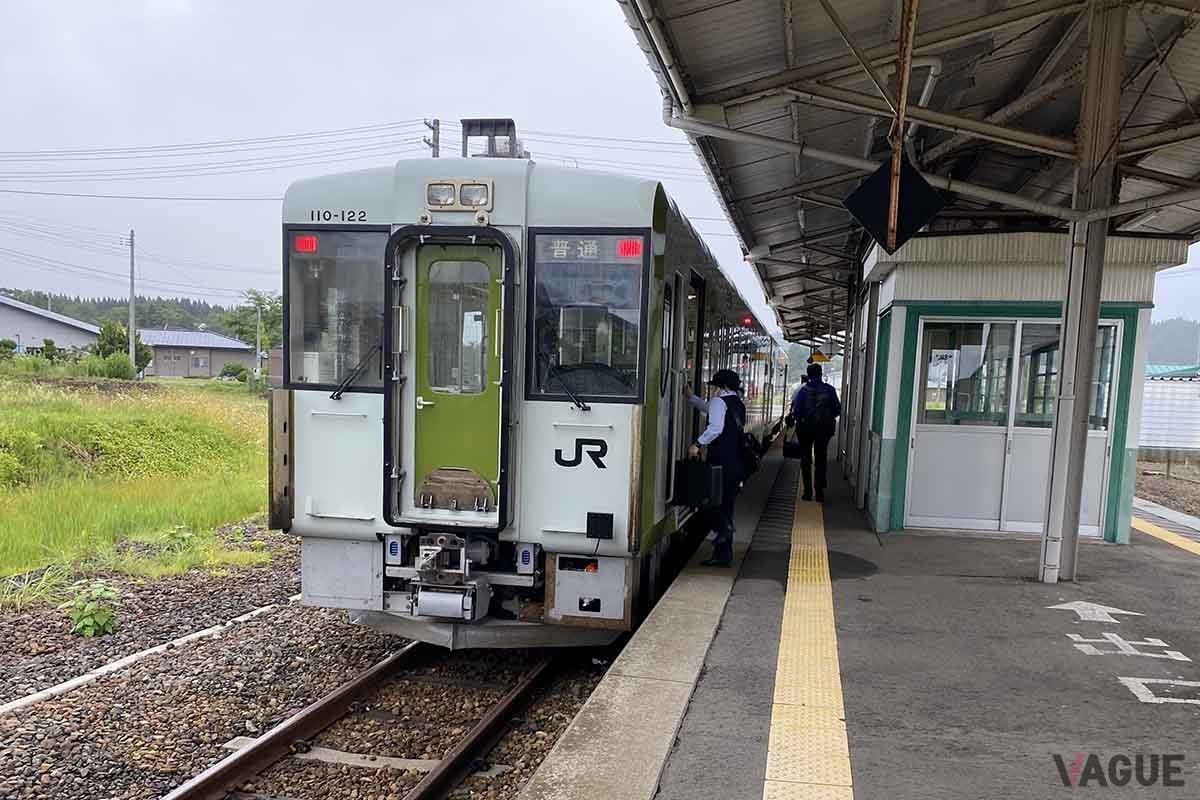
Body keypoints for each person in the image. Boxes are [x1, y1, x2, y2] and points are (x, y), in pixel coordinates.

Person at [684, 369, 747, 567]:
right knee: (726, 505)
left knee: (708, 502)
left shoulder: (721, 402)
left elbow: (715, 428)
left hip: (720, 461)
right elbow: (708, 408)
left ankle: (724, 530)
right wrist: (690, 397)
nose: (715, 390)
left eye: (717, 387)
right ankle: (723, 554)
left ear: (724, 387)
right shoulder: (737, 404)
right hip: (735, 461)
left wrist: (697, 444)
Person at [788, 362, 841, 502]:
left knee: (805, 459)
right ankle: (819, 493)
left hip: (805, 429)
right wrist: (826, 418)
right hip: (824, 429)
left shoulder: (803, 391)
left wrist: (801, 421)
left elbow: (797, 412)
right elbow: (837, 409)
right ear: (821, 374)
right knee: (821, 458)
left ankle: (807, 493)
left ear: (808, 375)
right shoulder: (829, 390)